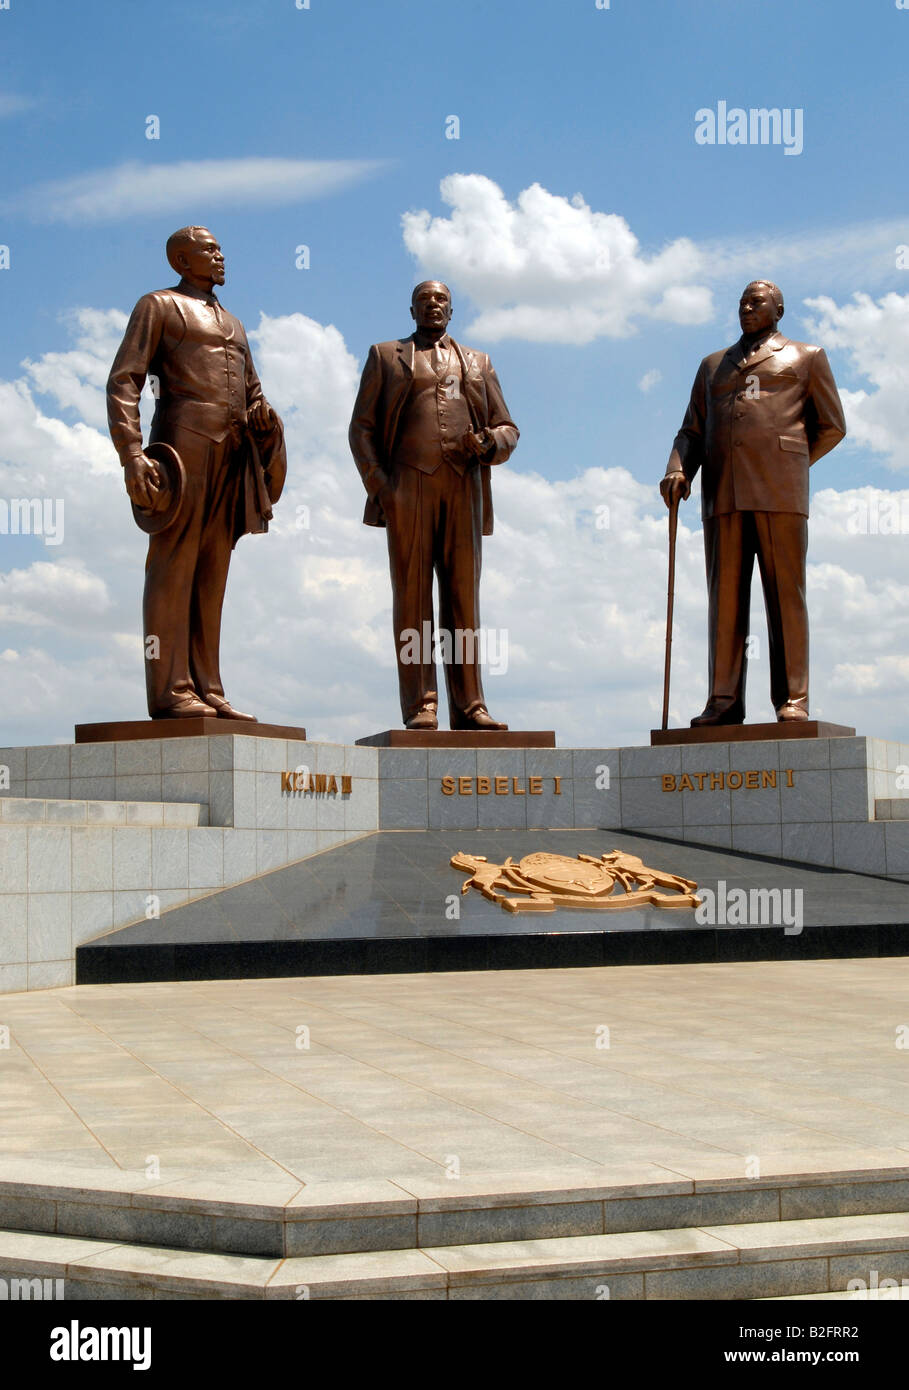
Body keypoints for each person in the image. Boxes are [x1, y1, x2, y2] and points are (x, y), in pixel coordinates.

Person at [107, 226, 285, 720]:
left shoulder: (234, 322)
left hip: (231, 455)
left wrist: (263, 415)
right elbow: (124, 381)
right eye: (210, 250)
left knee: (212, 572)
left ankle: (209, 685)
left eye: (221, 248)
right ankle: (170, 689)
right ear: (182, 261)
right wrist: (132, 455)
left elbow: (251, 391)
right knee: (172, 567)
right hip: (182, 448)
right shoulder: (158, 306)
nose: (221, 256)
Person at [661, 280, 846, 726]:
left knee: (786, 595)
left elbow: (831, 425)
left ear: (778, 309)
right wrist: (678, 468)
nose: (746, 307)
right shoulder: (712, 366)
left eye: (756, 301)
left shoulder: (807, 357)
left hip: (780, 493)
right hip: (722, 494)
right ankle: (723, 701)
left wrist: (790, 460)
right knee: (724, 600)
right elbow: (692, 431)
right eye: (742, 301)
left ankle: (794, 698)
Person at [349, 281, 519, 730]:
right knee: (412, 600)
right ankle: (421, 703)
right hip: (408, 486)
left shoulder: (478, 362)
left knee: (464, 600)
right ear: (411, 308)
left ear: (451, 309)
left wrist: (489, 442)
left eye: (440, 300)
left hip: (463, 488)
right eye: (424, 300)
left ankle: (470, 704)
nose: (433, 305)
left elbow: (508, 428)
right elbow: (361, 429)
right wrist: (383, 487)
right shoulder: (386, 356)